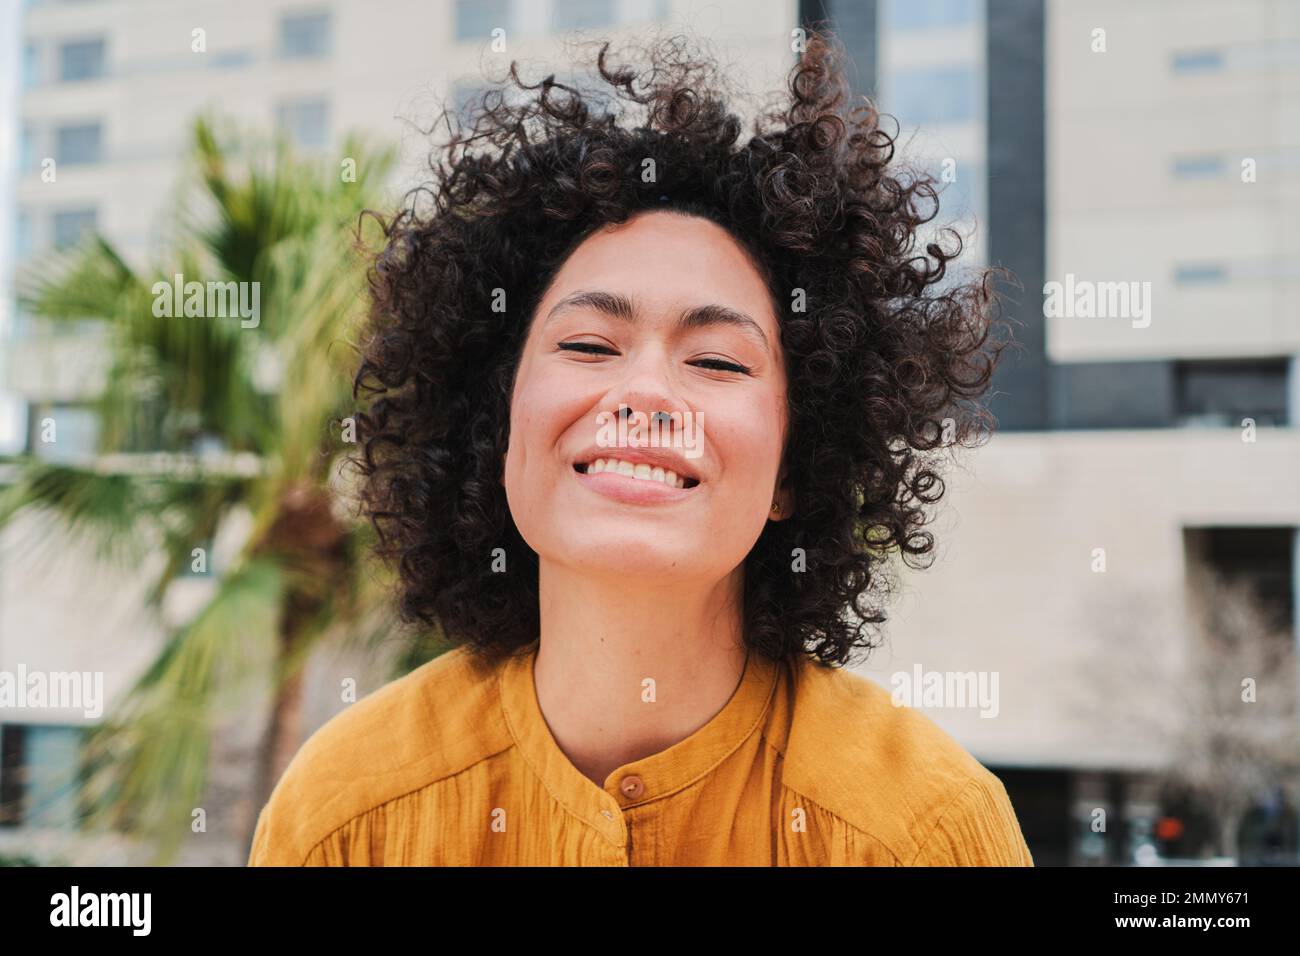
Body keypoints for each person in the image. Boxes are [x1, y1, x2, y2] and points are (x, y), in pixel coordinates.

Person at [247, 29, 1032, 866]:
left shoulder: (924, 829)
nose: (647, 396)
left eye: (718, 361)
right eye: (589, 346)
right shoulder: (348, 814)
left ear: (794, 470)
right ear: (496, 422)